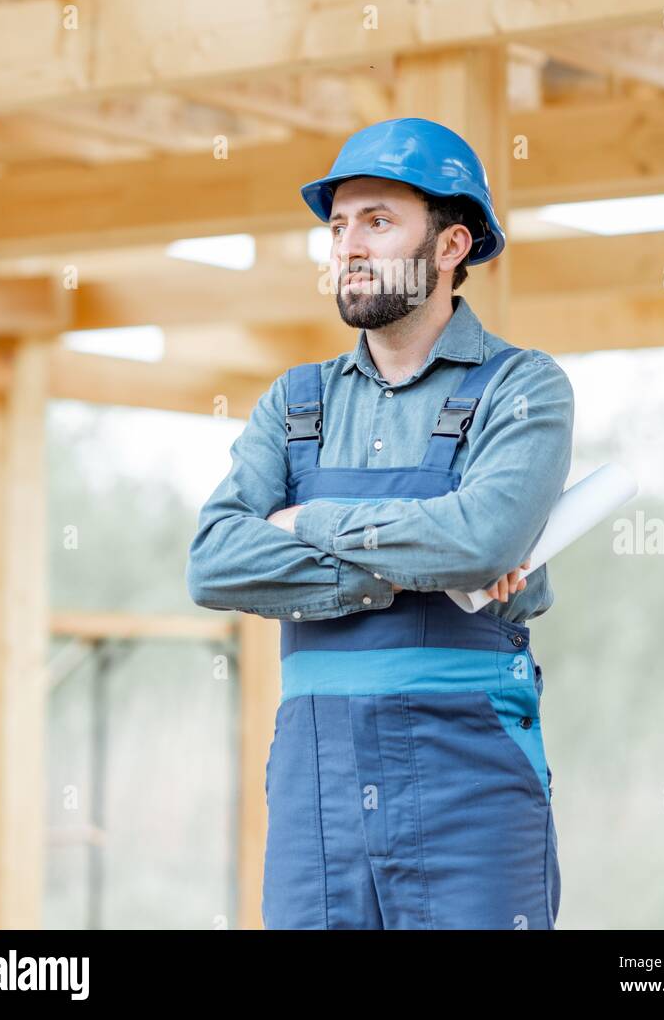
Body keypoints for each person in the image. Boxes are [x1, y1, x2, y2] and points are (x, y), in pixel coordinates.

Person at [187, 116, 575, 930]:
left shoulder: (523, 389)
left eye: (377, 221)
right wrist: (427, 562)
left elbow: (482, 542)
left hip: (468, 764)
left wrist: (307, 522)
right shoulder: (295, 401)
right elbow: (214, 563)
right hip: (314, 775)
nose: (348, 248)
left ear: (449, 246)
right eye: (336, 226)